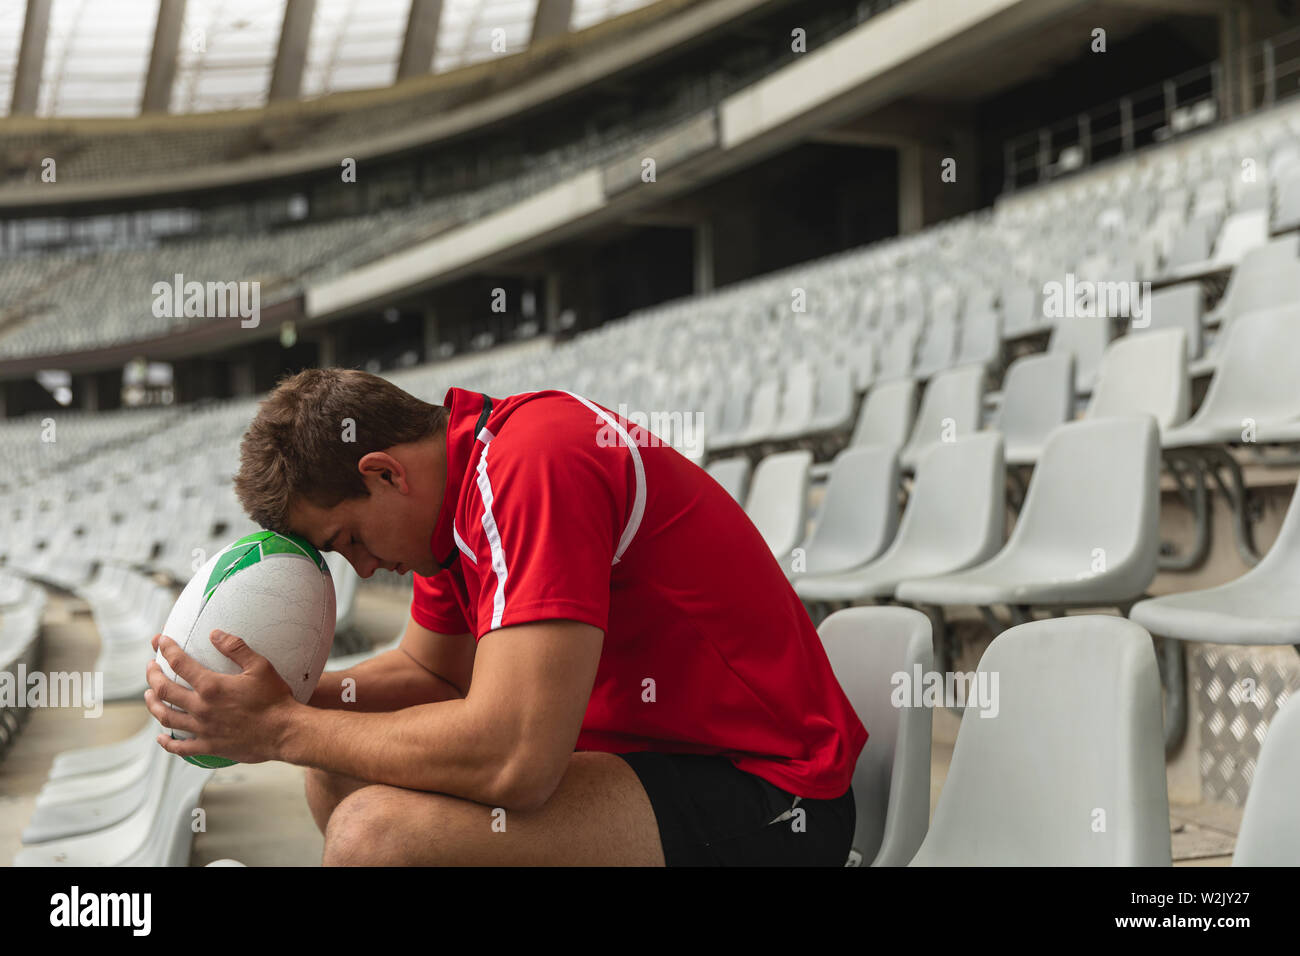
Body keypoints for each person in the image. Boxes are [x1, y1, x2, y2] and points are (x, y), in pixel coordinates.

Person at [145, 368, 866, 866]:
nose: (362, 568)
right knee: (335, 774)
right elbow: (430, 672)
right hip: (648, 765)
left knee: (375, 836)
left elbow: (515, 761)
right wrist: (266, 701)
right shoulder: (456, 502)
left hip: (771, 792)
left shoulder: (534, 461)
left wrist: (280, 728)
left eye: (351, 541)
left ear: (384, 473)